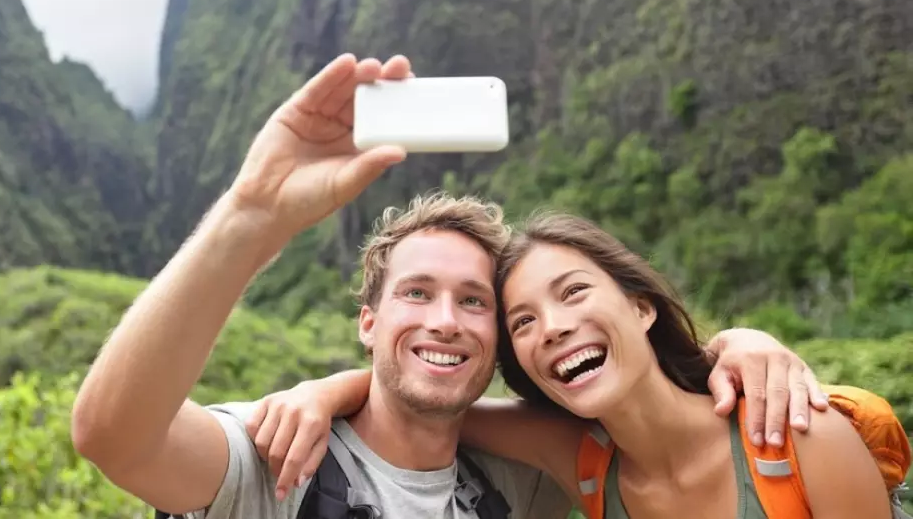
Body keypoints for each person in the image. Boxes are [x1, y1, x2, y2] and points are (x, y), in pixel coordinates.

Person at [70, 53, 828, 519]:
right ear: (368, 321)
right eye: (415, 293)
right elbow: (113, 436)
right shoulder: (279, 457)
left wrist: (737, 347)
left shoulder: (531, 477)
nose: (446, 320)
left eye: (476, 303)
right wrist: (252, 216)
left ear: (503, 342)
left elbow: (659, 411)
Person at [248, 211, 904, 518]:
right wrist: (325, 391)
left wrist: (740, 338)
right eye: (523, 322)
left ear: (642, 308)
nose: (554, 328)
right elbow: (428, 393)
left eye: (574, 293)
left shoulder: (790, 436)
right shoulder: (582, 459)